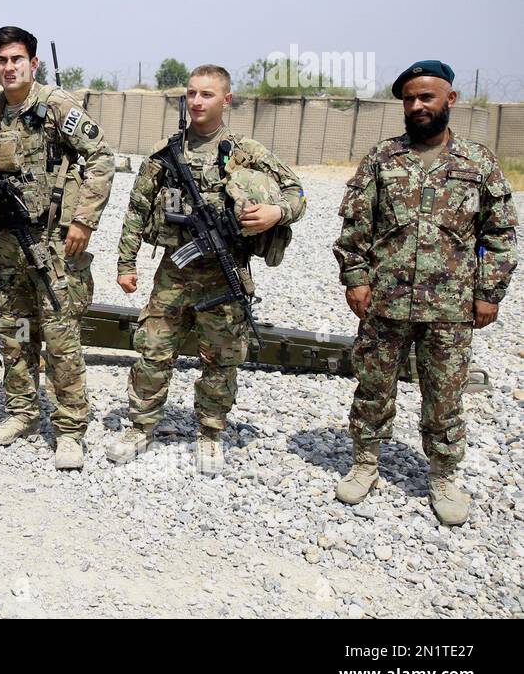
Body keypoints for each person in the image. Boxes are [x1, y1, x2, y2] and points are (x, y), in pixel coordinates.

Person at [333, 59, 516, 525]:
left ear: (449, 100)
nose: (416, 106)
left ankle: (443, 475)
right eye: (409, 98)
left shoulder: (477, 162)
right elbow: (356, 226)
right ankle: (366, 462)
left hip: (451, 307)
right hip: (385, 300)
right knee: (373, 385)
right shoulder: (382, 158)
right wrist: (356, 278)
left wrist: (489, 291)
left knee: (445, 395)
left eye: (426, 97)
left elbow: (498, 233)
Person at [111, 64, 304, 473]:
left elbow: (296, 192)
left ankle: (210, 433)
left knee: (221, 358)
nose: (197, 101)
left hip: (224, 269)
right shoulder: (167, 152)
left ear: (226, 100)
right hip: (174, 271)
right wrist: (126, 263)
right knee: (152, 350)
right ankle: (140, 426)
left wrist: (275, 212)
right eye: (192, 94)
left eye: (207, 94)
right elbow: (137, 207)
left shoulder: (246, 151)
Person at [0, 26, 115, 470]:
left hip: (51, 247)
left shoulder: (56, 107)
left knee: (61, 338)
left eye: (17, 60)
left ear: (33, 63)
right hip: (6, 247)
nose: (9, 68)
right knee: (16, 331)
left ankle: (69, 429)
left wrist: (83, 219)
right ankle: (22, 412)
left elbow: (102, 157)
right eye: (2, 61)